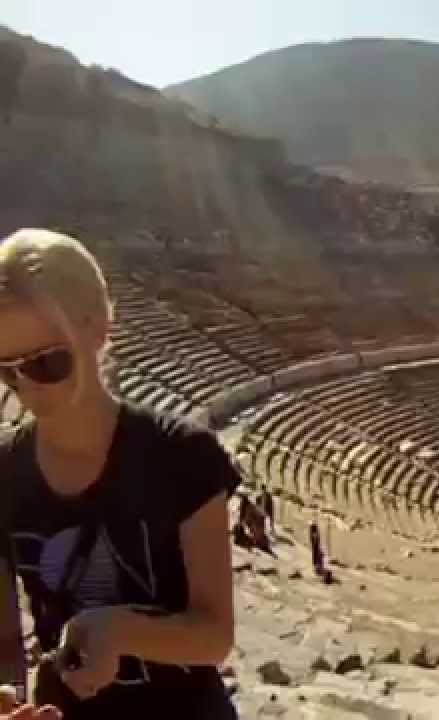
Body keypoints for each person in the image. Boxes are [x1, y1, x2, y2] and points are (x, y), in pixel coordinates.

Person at [0, 229, 237, 718]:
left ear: (98, 329)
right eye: (5, 370)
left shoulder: (182, 454)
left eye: (47, 363)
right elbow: (4, 638)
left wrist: (122, 631)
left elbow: (214, 634)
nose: (26, 388)